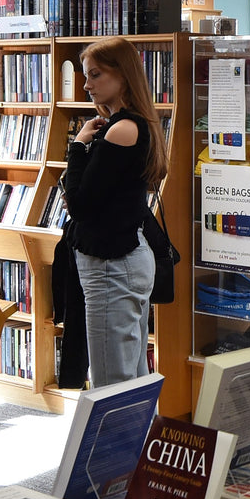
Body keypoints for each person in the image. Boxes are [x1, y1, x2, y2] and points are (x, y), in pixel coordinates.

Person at [62, 36, 168, 387]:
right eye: (85, 75)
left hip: (112, 265)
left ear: (122, 76)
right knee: (131, 374)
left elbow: (79, 203)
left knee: (113, 381)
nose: (86, 84)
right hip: (123, 258)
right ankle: (138, 442)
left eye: (95, 75)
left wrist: (78, 146)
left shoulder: (122, 130)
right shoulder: (131, 125)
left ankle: (123, 443)